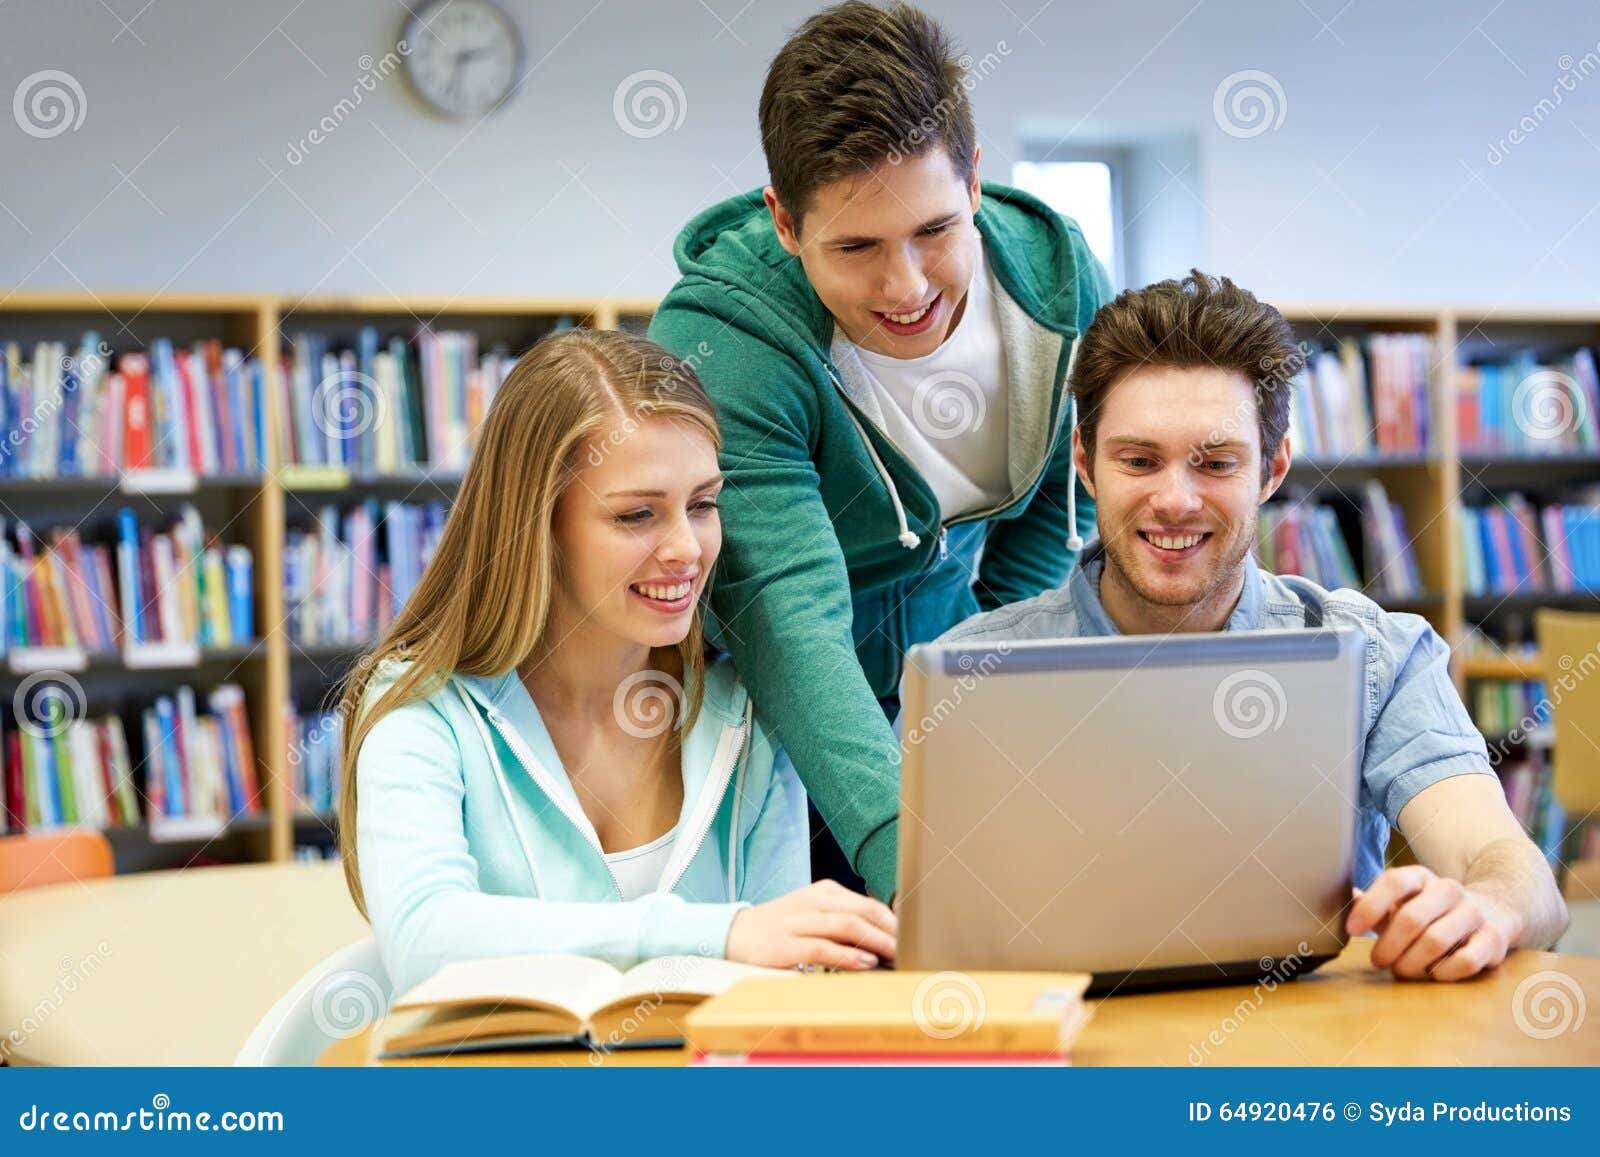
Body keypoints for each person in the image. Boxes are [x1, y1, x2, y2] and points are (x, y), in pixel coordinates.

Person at [935, 269, 1569, 981]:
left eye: (1215, 463)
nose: (1175, 500)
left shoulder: (1374, 653)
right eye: (1139, 460)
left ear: (1272, 470)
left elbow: (1512, 871)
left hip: (1303, 1037)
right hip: (1056, 1036)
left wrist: (1488, 906)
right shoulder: (971, 671)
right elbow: (925, 918)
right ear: (1085, 465)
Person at [649, 1, 1110, 900]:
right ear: (786, 224)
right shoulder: (728, 341)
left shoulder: (1058, 287)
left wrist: (986, 678)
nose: (905, 288)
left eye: (934, 231)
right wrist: (914, 863)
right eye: (856, 246)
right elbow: (785, 615)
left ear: (974, 180)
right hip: (776, 738)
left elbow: (1069, 490)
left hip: (956, 707)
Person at [337, 329, 896, 997]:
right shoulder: (420, 708)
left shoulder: (747, 709)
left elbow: (778, 982)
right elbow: (426, 940)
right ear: (537, 525)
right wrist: (716, 932)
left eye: (703, 504)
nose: (686, 548)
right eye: (636, 515)